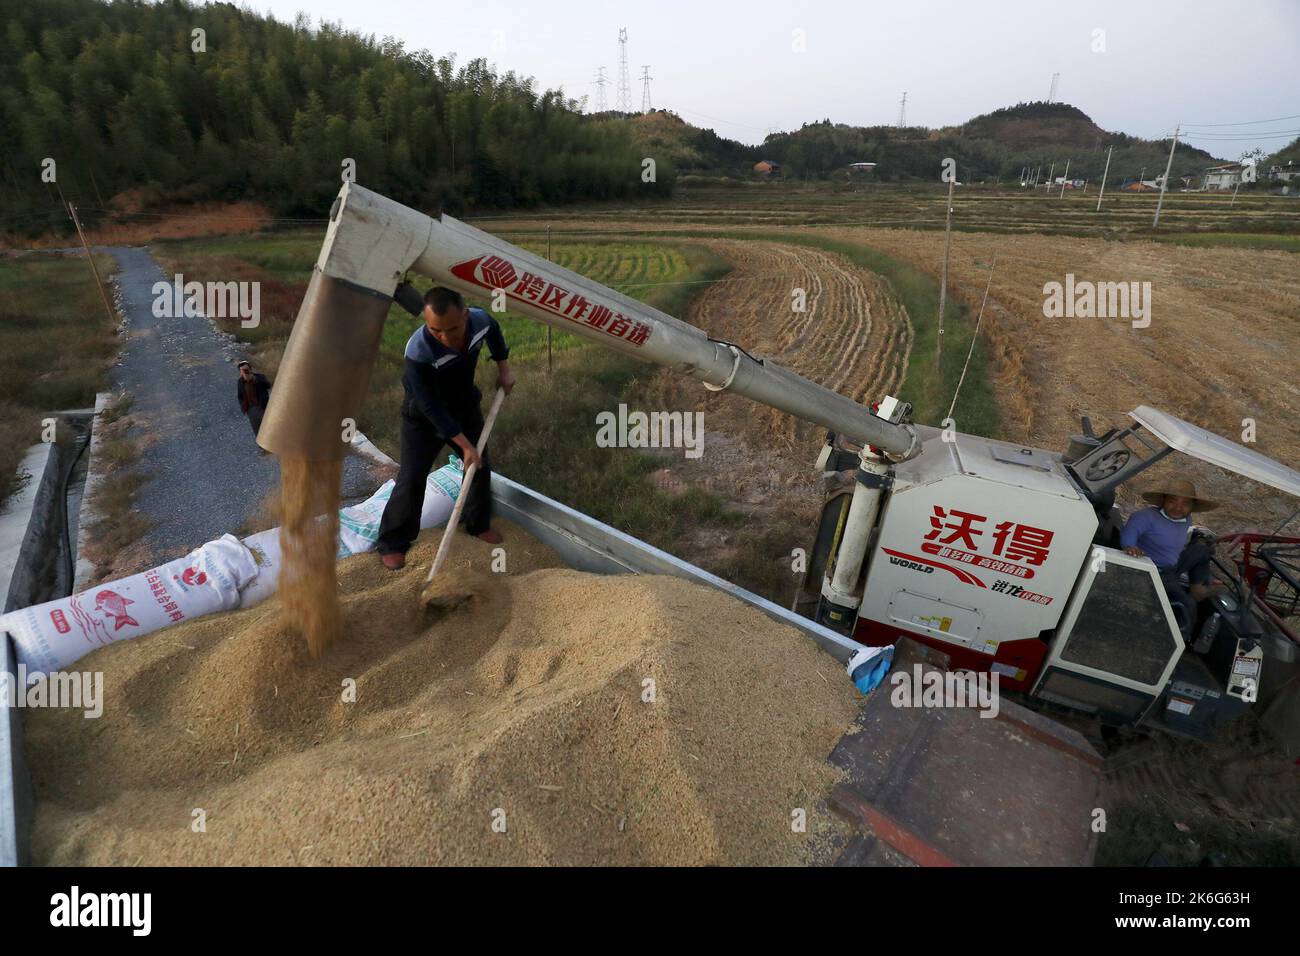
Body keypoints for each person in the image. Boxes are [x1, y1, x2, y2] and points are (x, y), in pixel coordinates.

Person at [376, 286, 515, 571]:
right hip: (423, 419)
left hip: (464, 407)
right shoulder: (418, 351)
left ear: (465, 316)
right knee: (412, 478)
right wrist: (464, 446)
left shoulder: (481, 321)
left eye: (451, 329)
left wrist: (504, 369)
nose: (443, 337)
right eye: (435, 330)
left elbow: (495, 333)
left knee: (478, 465)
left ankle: (477, 525)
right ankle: (393, 542)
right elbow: (431, 408)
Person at [1120, 478, 1223, 636]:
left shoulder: (1186, 519)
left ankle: (1197, 588)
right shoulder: (1145, 516)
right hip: (1153, 572)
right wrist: (1131, 547)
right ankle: (1181, 641)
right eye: (1173, 501)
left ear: (1192, 507)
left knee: (1202, 550)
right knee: (1188, 605)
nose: (1178, 508)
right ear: (1163, 500)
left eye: (1185, 504)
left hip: (1172, 566)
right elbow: (1129, 535)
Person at [236, 361, 272, 448]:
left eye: (246, 369)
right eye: (242, 370)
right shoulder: (240, 382)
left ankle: (273, 445)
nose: (244, 372)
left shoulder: (259, 377)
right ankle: (263, 448)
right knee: (257, 429)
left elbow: (268, 385)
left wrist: (255, 379)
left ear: (250, 369)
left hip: (262, 406)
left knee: (268, 426)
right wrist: (244, 407)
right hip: (251, 409)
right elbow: (240, 395)